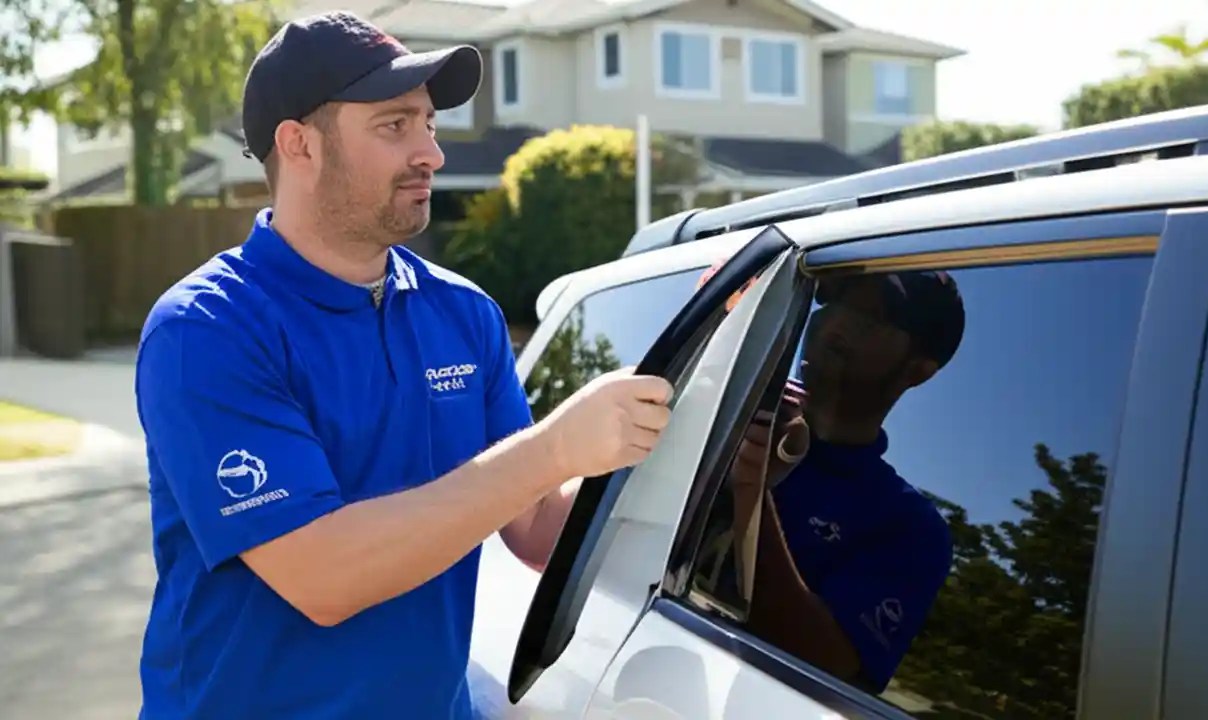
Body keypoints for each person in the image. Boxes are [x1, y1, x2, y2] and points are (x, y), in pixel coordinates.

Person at [133, 12, 672, 719]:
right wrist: (555, 447)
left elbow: (538, 530)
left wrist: (704, 461)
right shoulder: (206, 330)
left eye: (429, 124)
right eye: (395, 126)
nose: (431, 154)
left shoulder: (464, 314)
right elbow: (325, 577)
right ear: (299, 145)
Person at [703, 263, 964, 693]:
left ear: (918, 370)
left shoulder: (911, 528)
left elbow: (827, 662)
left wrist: (753, 490)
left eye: (870, 315)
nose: (833, 322)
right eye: (832, 301)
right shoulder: (734, 400)